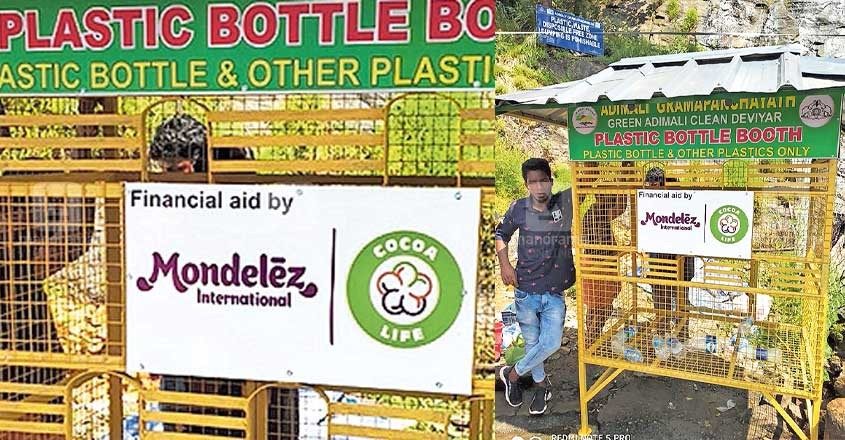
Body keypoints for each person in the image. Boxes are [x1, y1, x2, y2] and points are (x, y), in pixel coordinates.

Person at [495, 158, 575, 415]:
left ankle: (512, 374)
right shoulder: (519, 208)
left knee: (550, 343)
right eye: (533, 182)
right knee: (532, 344)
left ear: (551, 180)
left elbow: (592, 179)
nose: (539, 186)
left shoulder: (564, 202)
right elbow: (500, 234)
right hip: (526, 289)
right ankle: (541, 387)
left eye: (543, 180)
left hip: (554, 291)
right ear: (526, 184)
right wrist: (505, 265)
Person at [643, 167, 695, 340]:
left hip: (680, 262)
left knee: (680, 300)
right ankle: (662, 335)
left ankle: (681, 337)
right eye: (649, 184)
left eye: (655, 184)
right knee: (661, 300)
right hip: (659, 263)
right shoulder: (648, 201)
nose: (652, 187)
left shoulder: (679, 197)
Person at [581, 192, 627, 345]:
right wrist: (624, 186)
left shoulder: (589, 213)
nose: (613, 202)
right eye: (611, 198)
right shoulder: (601, 213)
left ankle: (591, 338)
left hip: (589, 264)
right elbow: (621, 207)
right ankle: (591, 341)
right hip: (601, 266)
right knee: (605, 307)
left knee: (594, 307)